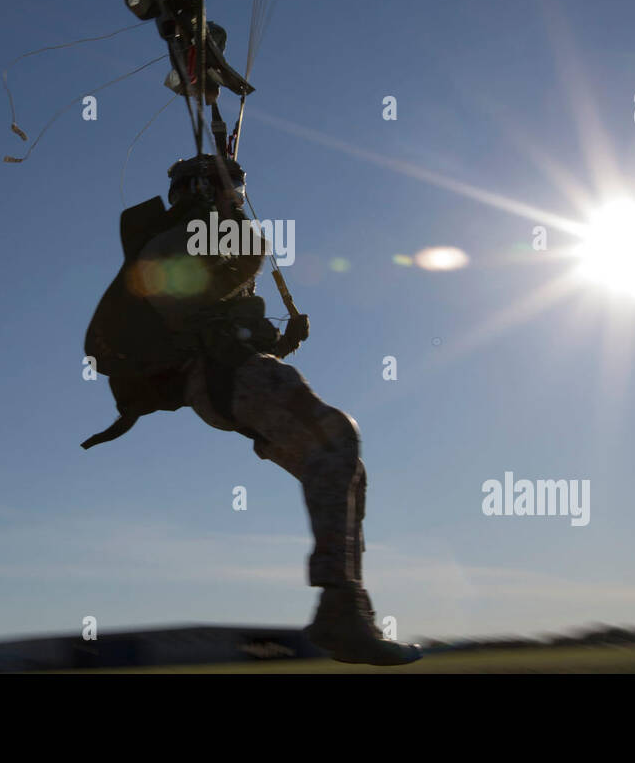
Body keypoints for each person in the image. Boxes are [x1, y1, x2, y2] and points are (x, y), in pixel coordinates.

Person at [83, 153, 422, 665]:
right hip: (224, 375)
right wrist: (228, 209)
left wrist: (281, 343)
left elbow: (215, 305)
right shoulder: (183, 238)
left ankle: (345, 602)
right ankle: (340, 609)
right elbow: (200, 295)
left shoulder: (204, 236)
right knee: (337, 439)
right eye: (233, 184)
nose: (239, 193)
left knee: (341, 467)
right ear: (206, 187)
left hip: (232, 377)